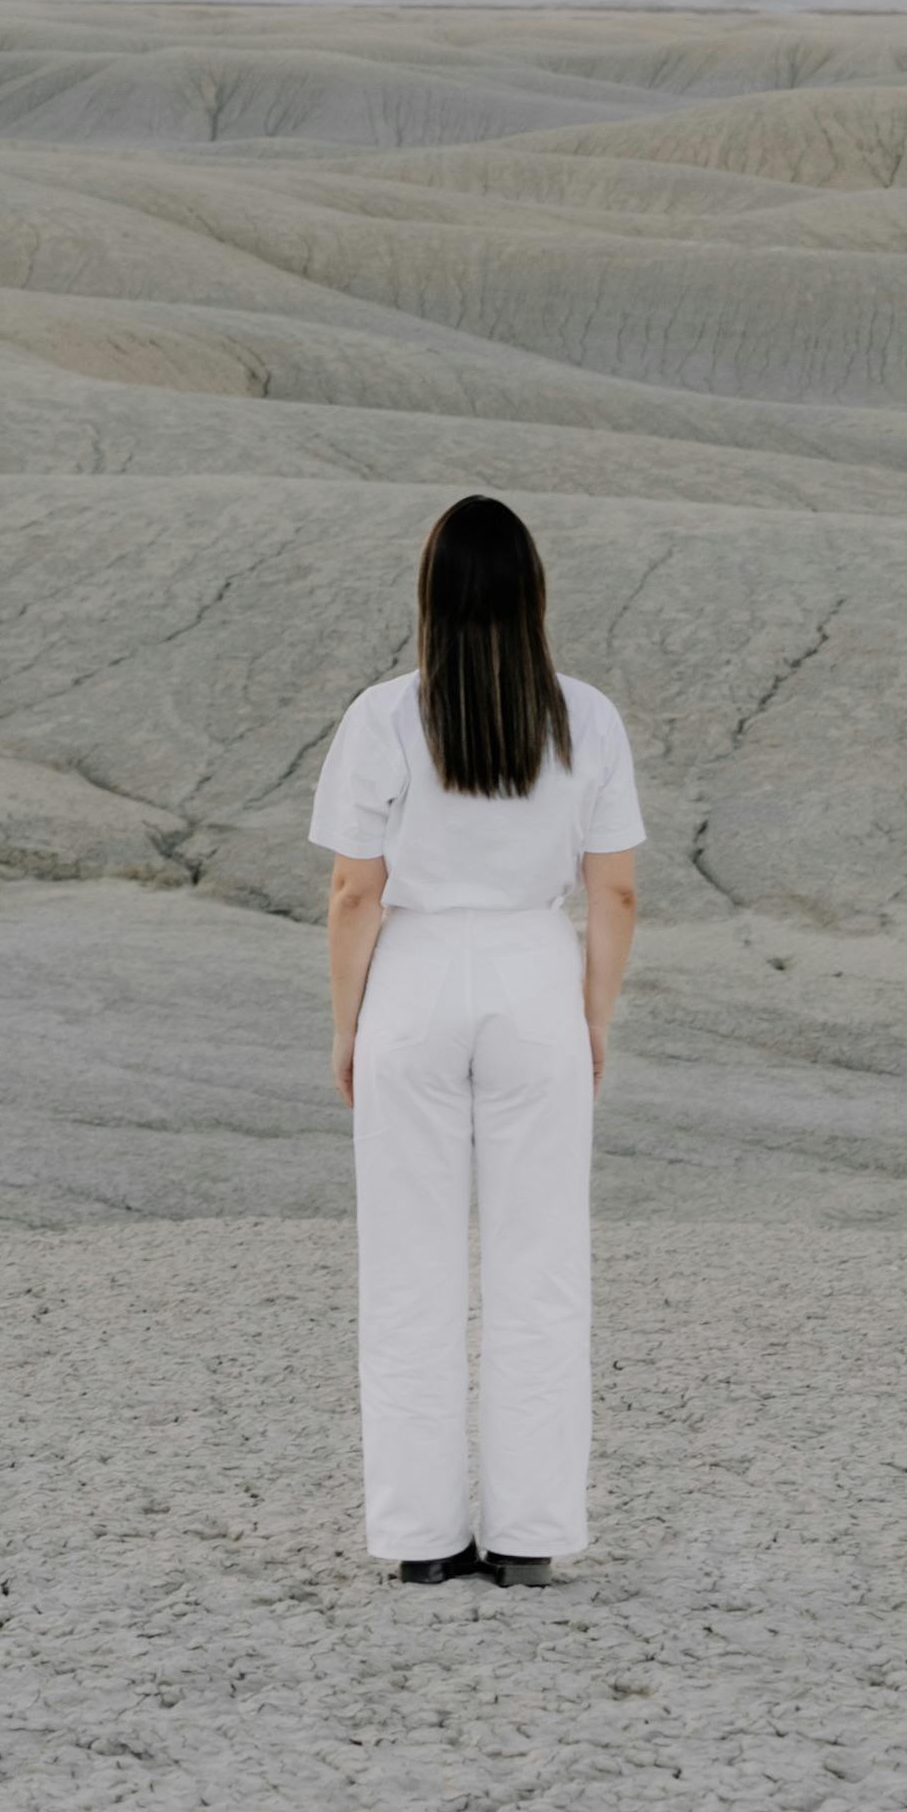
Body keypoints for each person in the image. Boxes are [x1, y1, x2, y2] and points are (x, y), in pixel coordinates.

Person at [310, 496, 643, 1588]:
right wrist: (589, 1014)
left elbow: (355, 889)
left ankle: (418, 1537)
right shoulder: (584, 719)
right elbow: (617, 890)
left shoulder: (383, 716)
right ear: (533, 590)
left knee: (407, 1267)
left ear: (430, 593)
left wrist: (347, 1021)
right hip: (534, 973)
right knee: (536, 1266)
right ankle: (528, 1533)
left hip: (410, 973)